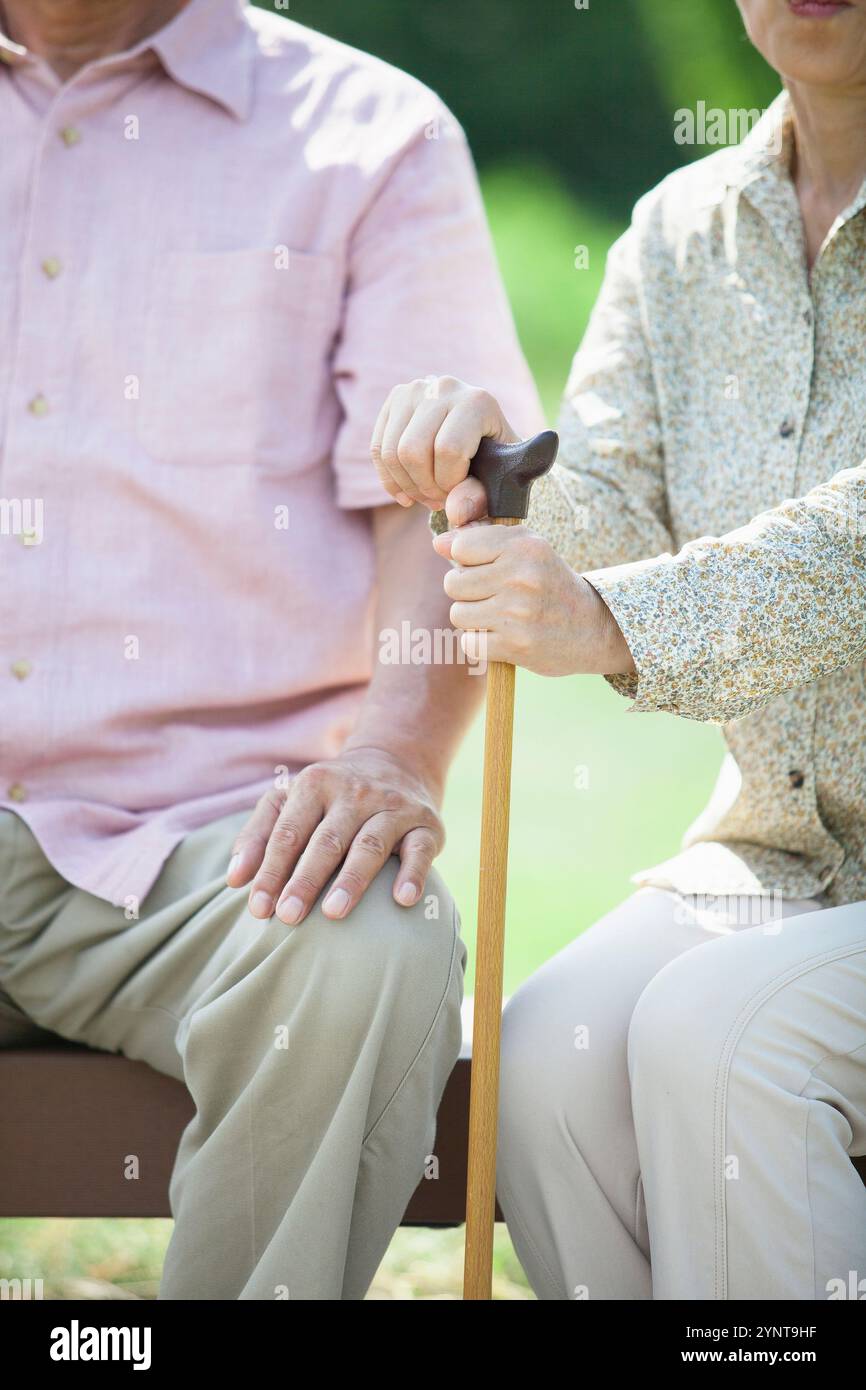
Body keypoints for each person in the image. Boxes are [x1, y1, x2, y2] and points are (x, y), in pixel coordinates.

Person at [0, 0, 542, 1299]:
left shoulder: (373, 136)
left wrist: (399, 751)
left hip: (213, 843)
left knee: (365, 942)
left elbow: (443, 499)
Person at [373, 0, 866, 1301]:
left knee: (724, 1031)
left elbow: (850, 547)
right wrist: (494, 468)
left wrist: (608, 622)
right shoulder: (678, 228)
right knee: (543, 1051)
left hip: (808, 923)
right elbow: (604, 500)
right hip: (783, 853)